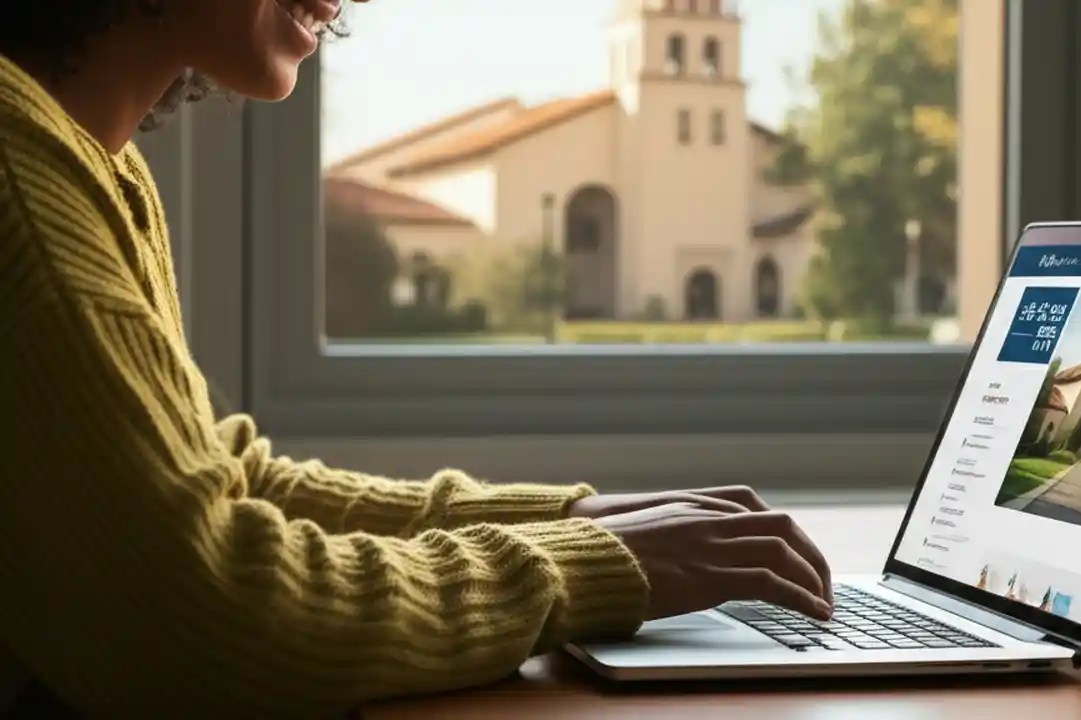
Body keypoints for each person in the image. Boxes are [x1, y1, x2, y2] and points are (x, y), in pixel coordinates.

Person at [0, 1, 833, 717]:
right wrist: (588, 569)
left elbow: (228, 480)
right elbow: (209, 607)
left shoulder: (87, 163)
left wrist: (565, 521)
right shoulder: (26, 194)